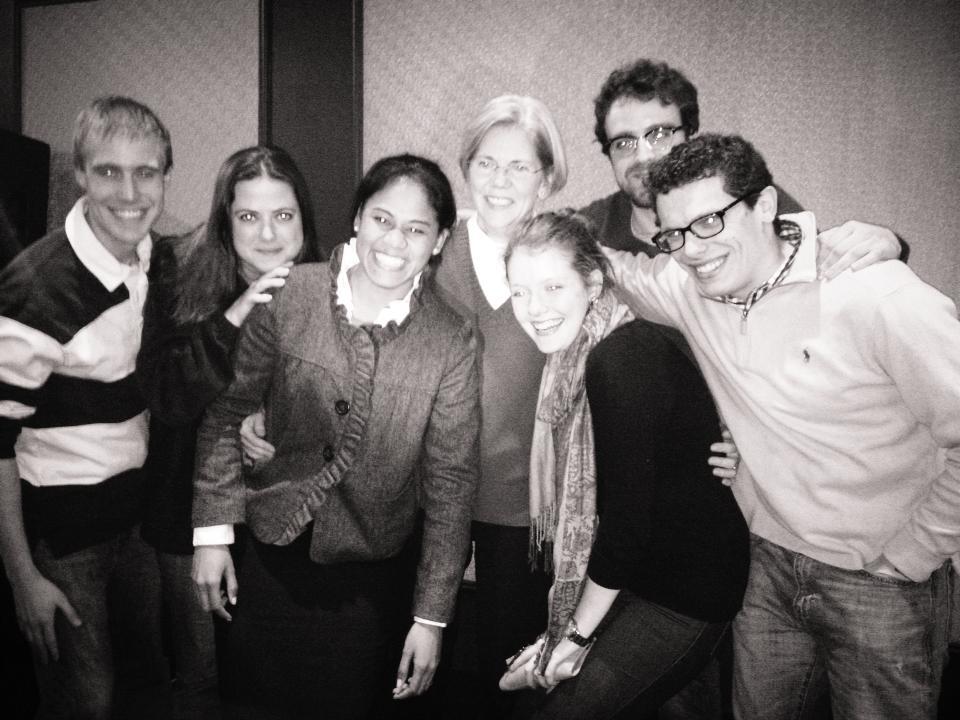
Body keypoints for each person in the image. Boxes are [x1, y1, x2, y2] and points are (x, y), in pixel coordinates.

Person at [606, 132, 960, 720]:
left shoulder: (875, 295)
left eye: (710, 222)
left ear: (765, 205)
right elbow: (615, 268)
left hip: (883, 583)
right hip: (767, 568)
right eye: (674, 235)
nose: (691, 250)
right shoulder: (690, 288)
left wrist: (910, 554)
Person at [191, 153, 480, 719]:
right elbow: (228, 414)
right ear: (356, 219)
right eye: (381, 219)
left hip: (371, 574)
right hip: (270, 552)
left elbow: (450, 484)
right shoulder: (290, 295)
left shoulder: (452, 339)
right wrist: (212, 533)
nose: (394, 241)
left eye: (417, 228)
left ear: (440, 239)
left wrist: (431, 617)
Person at [498, 210, 749, 719]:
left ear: (592, 283)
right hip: (640, 578)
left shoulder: (621, 358)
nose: (534, 309)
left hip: (684, 593)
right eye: (520, 291)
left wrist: (573, 636)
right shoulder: (576, 356)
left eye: (552, 287)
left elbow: (625, 523)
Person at [135, 145, 324, 719]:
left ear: (303, 220)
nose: (268, 234)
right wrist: (237, 312)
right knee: (203, 675)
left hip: (277, 525)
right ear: (225, 219)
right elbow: (168, 396)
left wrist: (272, 419)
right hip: (185, 513)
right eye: (248, 216)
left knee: (267, 680)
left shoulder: (323, 283)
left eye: (283, 216)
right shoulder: (177, 271)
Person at [0, 96, 171, 719]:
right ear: (79, 174)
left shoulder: (155, 260)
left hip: (137, 521)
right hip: (64, 539)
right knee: (85, 704)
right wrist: (22, 578)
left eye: (146, 172)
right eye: (108, 171)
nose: (129, 192)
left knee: (145, 685)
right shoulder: (37, 288)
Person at [428, 94, 567, 719]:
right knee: (419, 654)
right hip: (431, 490)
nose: (501, 180)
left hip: (523, 501)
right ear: (466, 169)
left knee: (509, 666)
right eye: (486, 162)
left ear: (545, 178)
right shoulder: (429, 249)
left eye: (519, 166)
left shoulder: (568, 258)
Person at [579, 58, 904, 274]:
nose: (643, 156)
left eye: (659, 134)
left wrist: (887, 244)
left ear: (690, 133)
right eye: (623, 143)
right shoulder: (593, 229)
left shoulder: (744, 196)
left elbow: (822, 262)